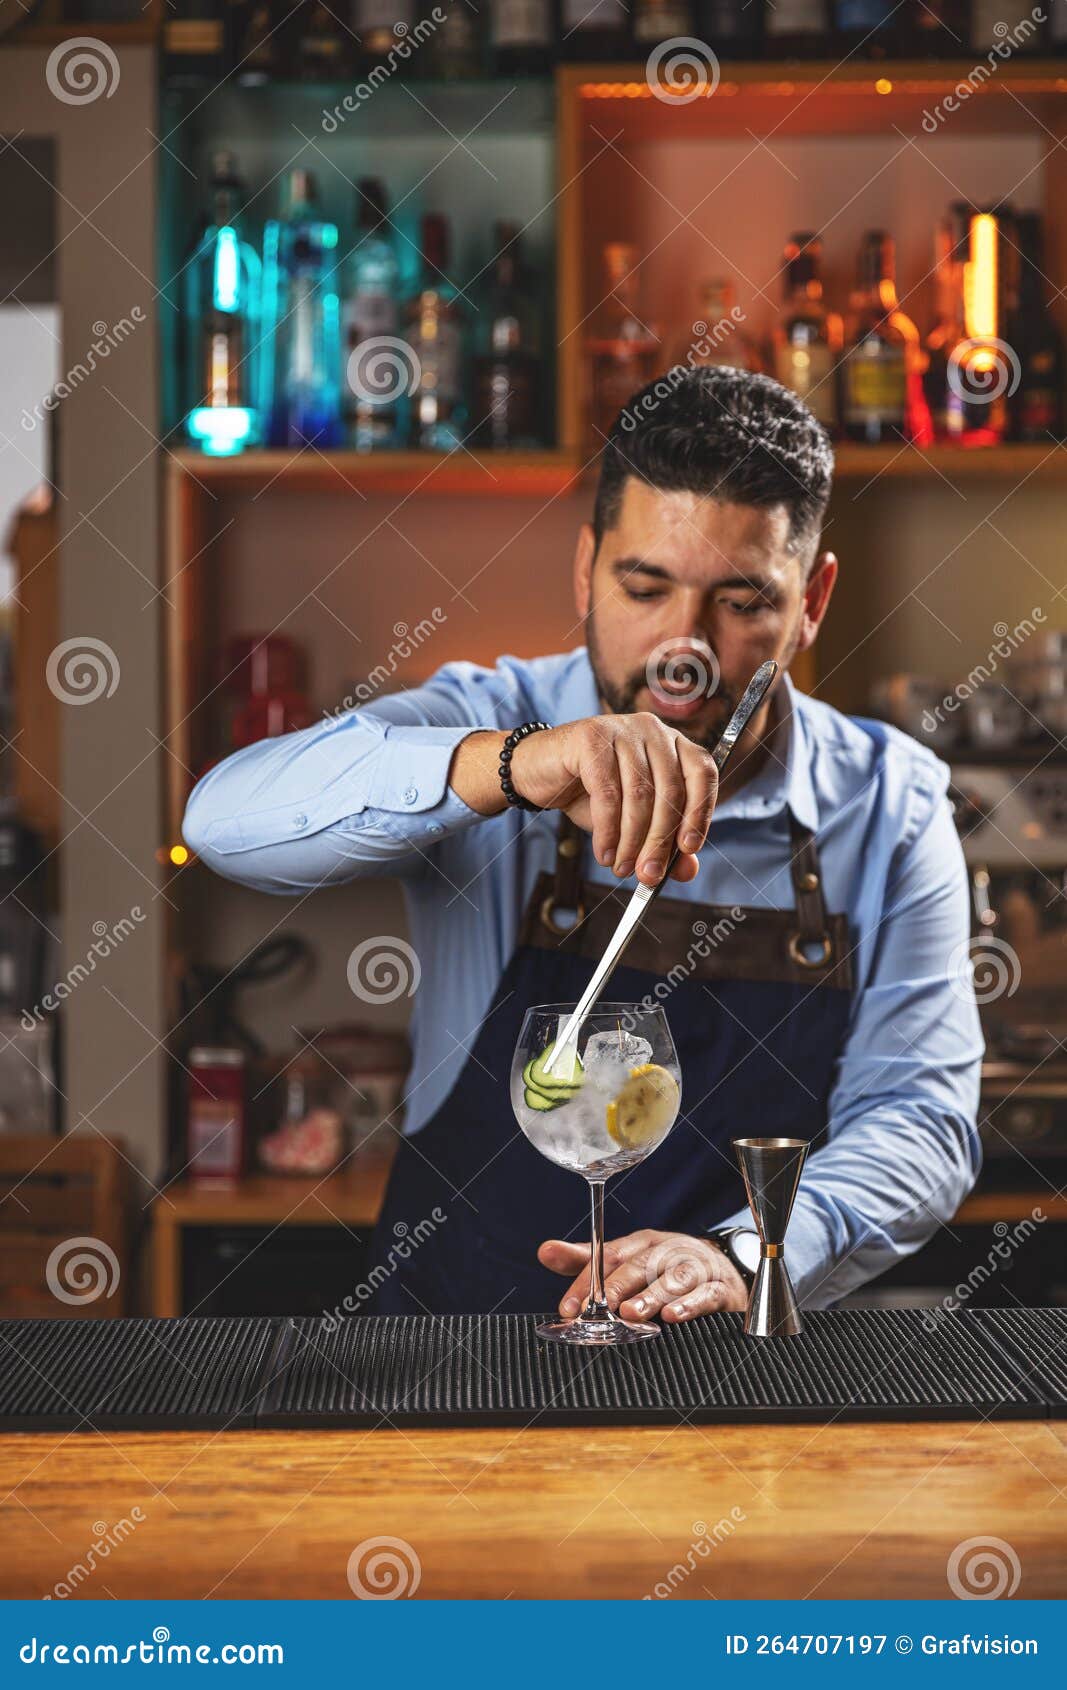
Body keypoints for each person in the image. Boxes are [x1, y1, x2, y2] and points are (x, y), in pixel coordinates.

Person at [183, 366, 982, 1324]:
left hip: (731, 1392)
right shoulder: (490, 719)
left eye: (739, 603)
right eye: (644, 587)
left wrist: (743, 1255)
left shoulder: (889, 808)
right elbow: (221, 822)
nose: (680, 650)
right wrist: (515, 766)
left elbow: (917, 1122)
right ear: (584, 571)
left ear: (810, 600)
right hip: (452, 1377)